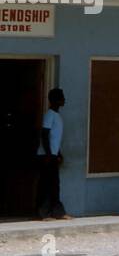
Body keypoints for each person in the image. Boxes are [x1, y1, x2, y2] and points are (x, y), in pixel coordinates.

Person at [36, 87, 69, 220]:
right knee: (46, 185)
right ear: (55, 100)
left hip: (52, 155)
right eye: (61, 97)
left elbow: (55, 138)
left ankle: (57, 212)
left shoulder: (57, 116)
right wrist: (49, 154)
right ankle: (43, 213)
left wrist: (58, 153)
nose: (64, 100)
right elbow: (44, 135)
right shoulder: (49, 114)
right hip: (46, 156)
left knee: (54, 184)